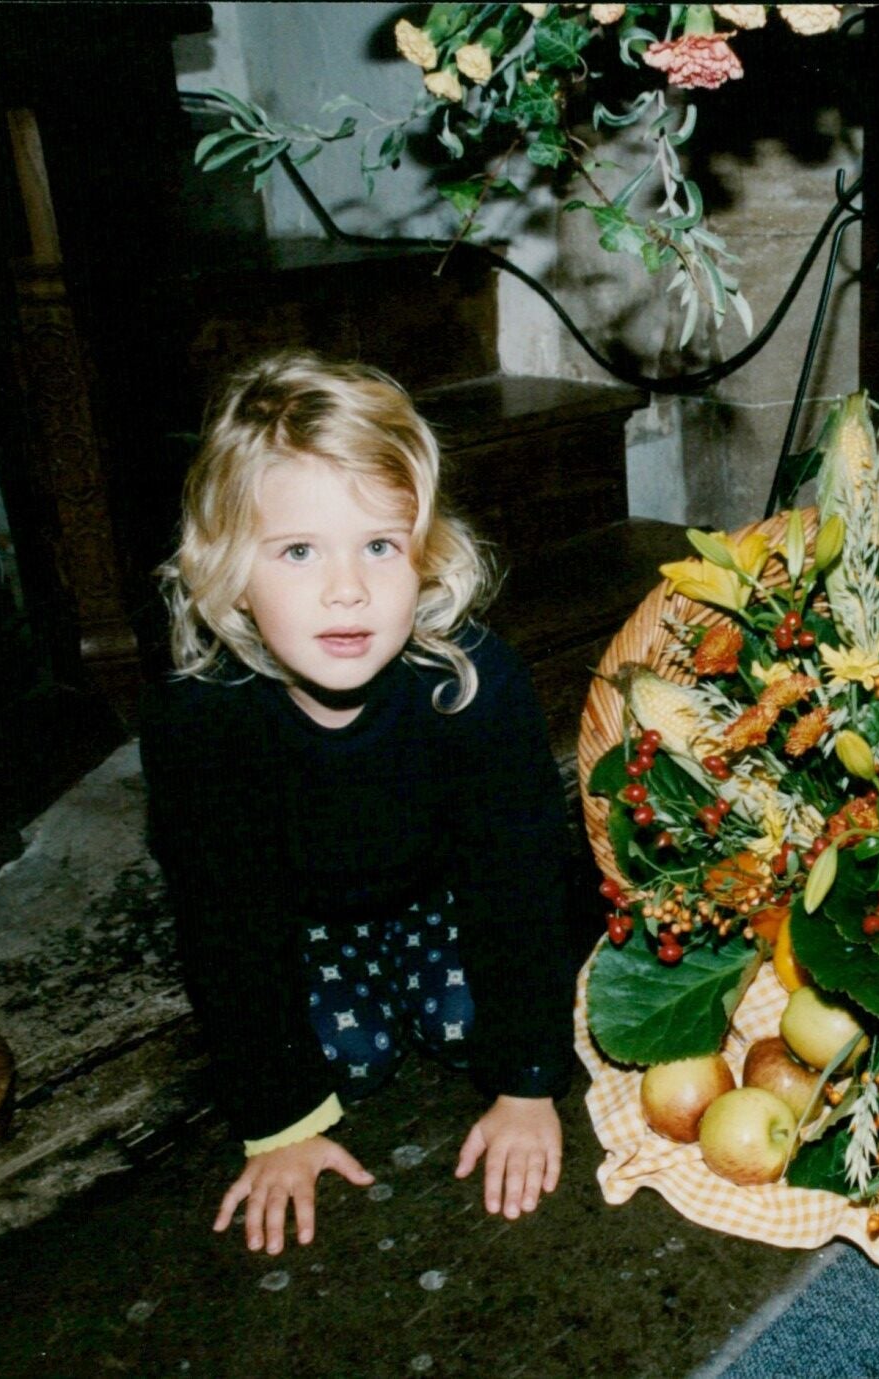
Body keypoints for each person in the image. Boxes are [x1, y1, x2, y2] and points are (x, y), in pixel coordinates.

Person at [142, 351, 576, 1257]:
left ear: (425, 555)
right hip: (299, 915)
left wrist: (530, 1084)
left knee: (477, 1026)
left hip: (437, 891)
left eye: (380, 545)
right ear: (227, 570)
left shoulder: (475, 684)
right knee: (348, 1057)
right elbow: (223, 920)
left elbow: (521, 881)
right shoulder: (201, 717)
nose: (348, 589)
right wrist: (280, 1124)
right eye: (299, 550)